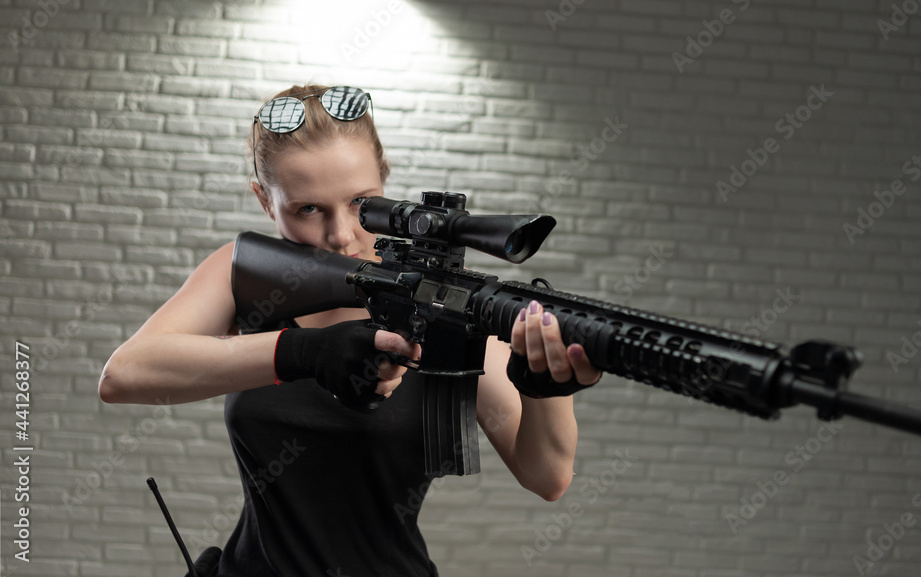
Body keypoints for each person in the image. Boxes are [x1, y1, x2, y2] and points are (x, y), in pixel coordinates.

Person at [99, 84, 602, 576]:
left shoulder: (448, 306)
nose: (341, 235)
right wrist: (305, 351)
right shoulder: (245, 275)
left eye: (362, 204)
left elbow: (547, 476)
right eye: (308, 209)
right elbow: (123, 376)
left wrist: (545, 388)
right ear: (263, 200)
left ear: (385, 183)